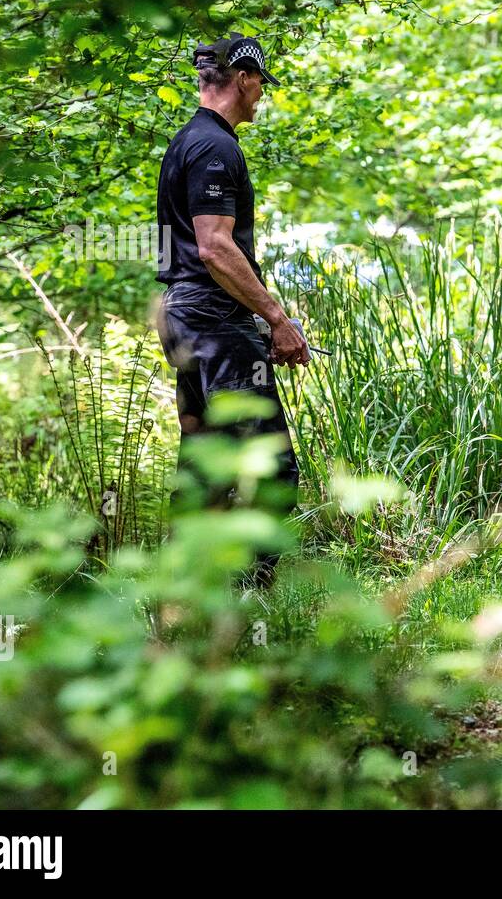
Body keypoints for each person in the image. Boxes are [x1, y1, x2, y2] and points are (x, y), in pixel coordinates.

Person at [154, 33, 308, 588]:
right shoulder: (216, 147)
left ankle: (181, 600)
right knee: (275, 472)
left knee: (204, 465)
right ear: (243, 78)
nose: (262, 95)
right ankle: (247, 597)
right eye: (261, 82)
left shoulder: (185, 143)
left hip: (184, 317)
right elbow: (215, 247)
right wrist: (277, 318)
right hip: (213, 322)